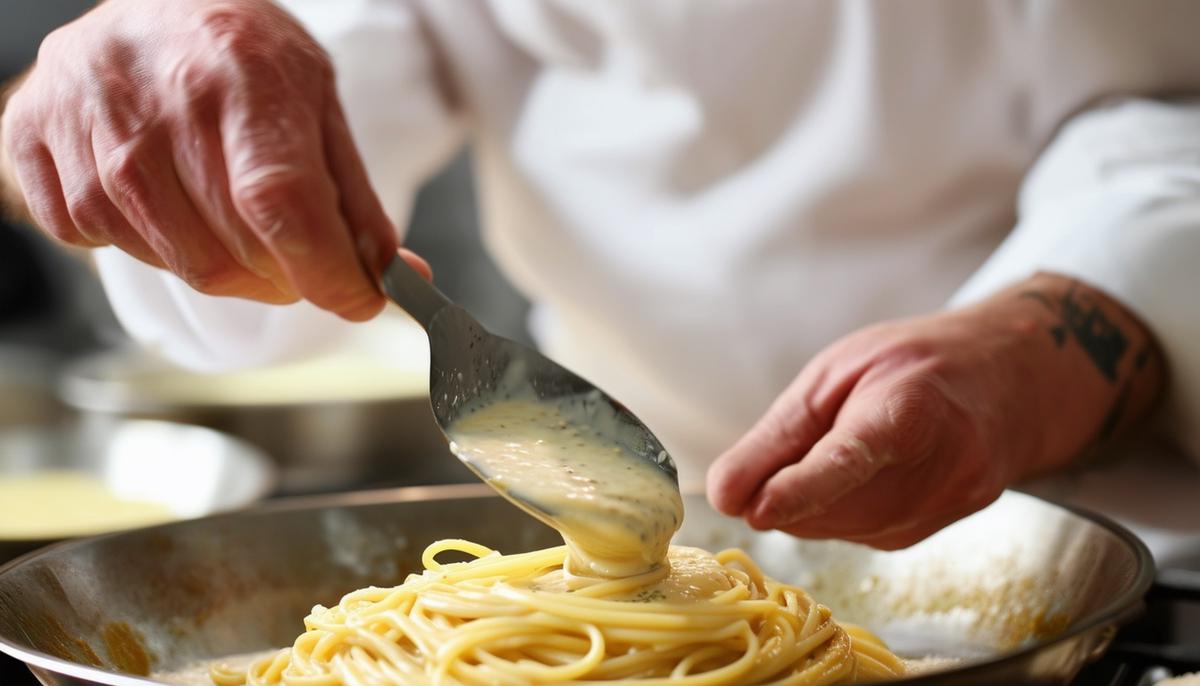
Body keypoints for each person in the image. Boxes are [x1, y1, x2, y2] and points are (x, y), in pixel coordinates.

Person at [1, 0, 1197, 551]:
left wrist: (1050, 338)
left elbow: (1167, 104)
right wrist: (169, 115)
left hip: (1080, 524)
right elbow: (334, 42)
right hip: (632, 504)